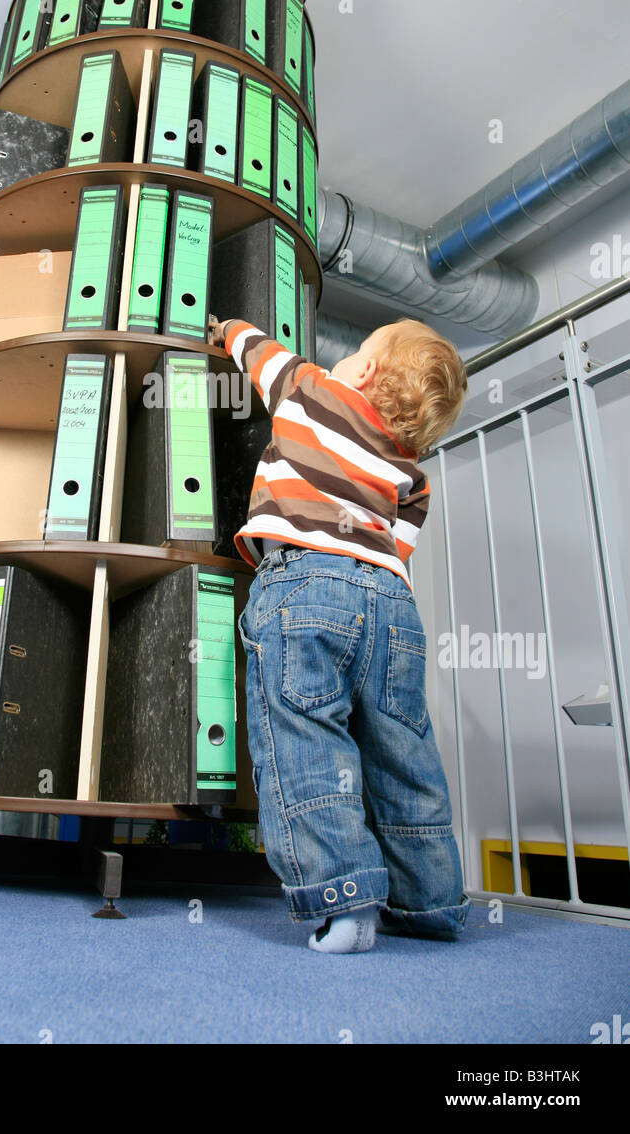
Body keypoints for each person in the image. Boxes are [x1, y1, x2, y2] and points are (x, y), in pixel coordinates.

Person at [206, 312, 472, 953]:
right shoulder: (411, 472)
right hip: (390, 606)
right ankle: (431, 903)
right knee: (403, 756)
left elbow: (264, 357)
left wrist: (229, 330)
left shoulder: (313, 391)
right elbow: (399, 547)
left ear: (365, 370)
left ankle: (344, 900)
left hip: (305, 587)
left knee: (307, 741)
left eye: (358, 349)